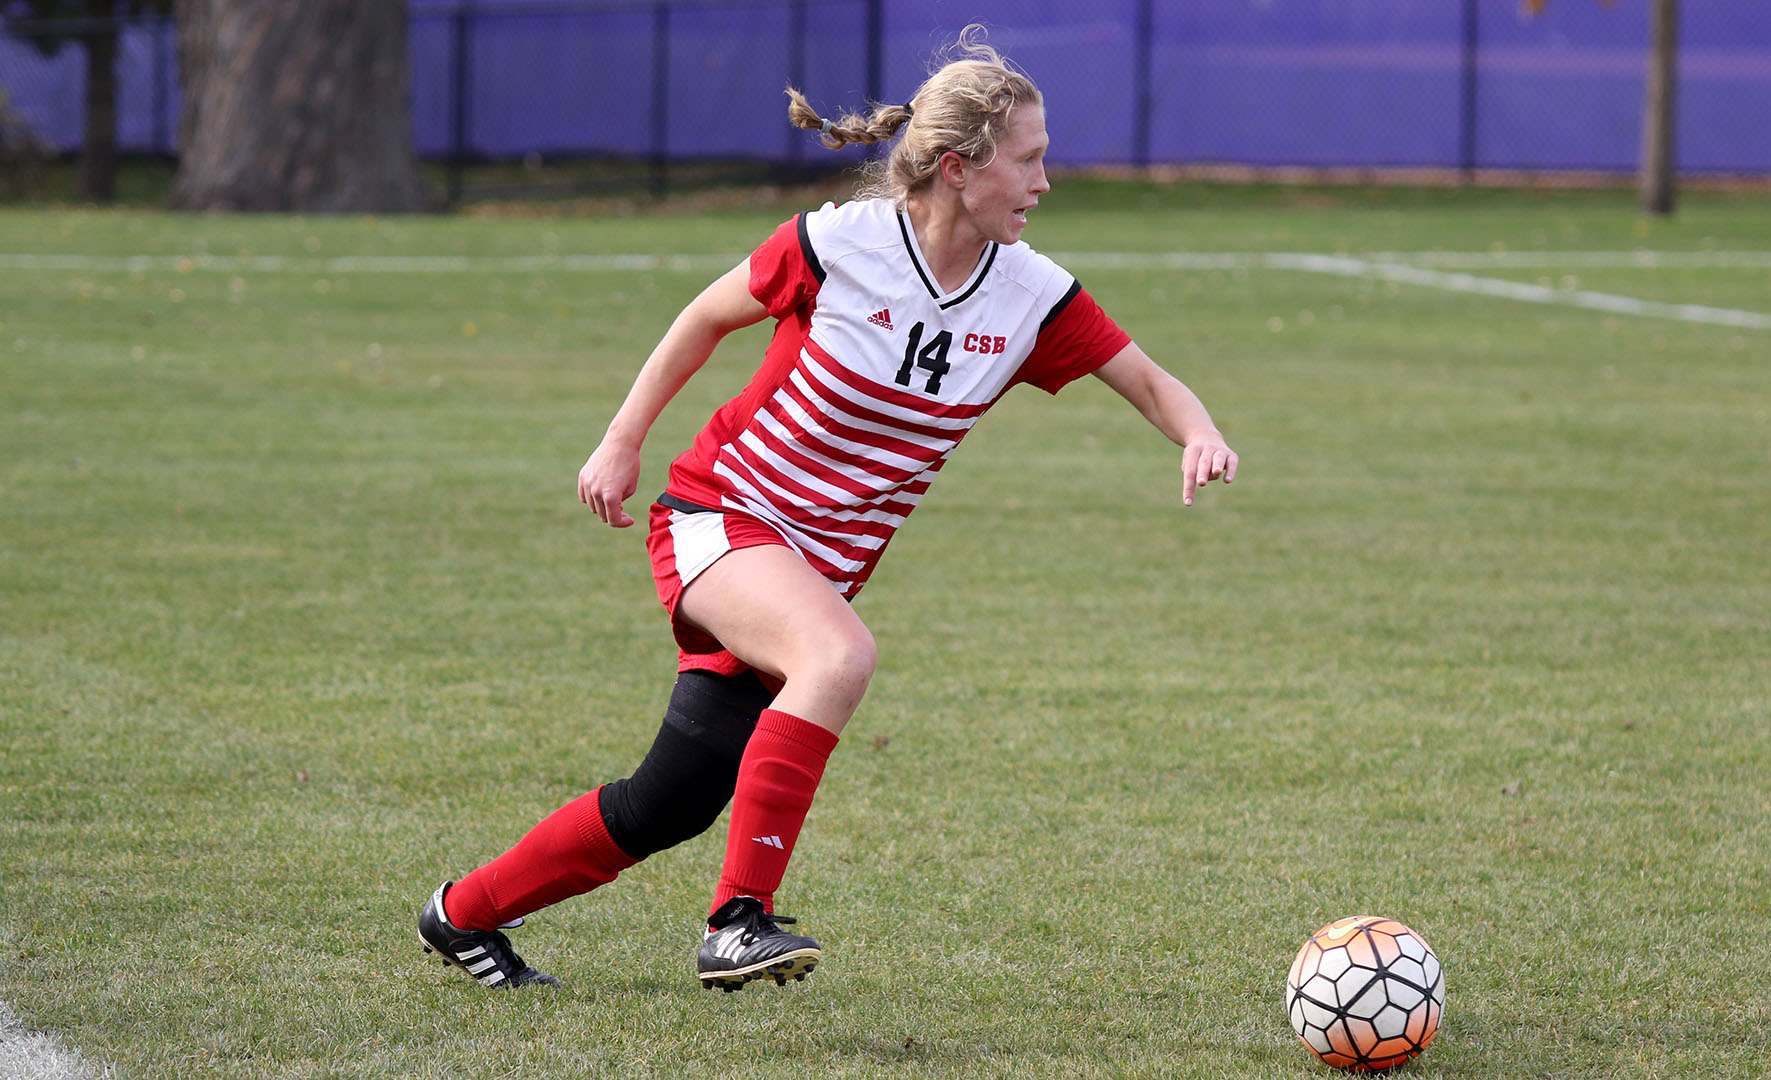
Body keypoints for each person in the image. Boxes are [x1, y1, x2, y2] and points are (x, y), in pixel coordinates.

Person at [416, 26, 1238, 993]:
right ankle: (736, 921)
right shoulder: (839, 244)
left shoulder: (1030, 295)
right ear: (954, 166)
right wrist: (622, 436)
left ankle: (460, 914)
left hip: (810, 569)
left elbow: (1146, 380)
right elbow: (705, 316)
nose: (1045, 181)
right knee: (839, 654)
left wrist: (1197, 432)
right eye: (1029, 159)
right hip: (722, 514)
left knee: (669, 800)